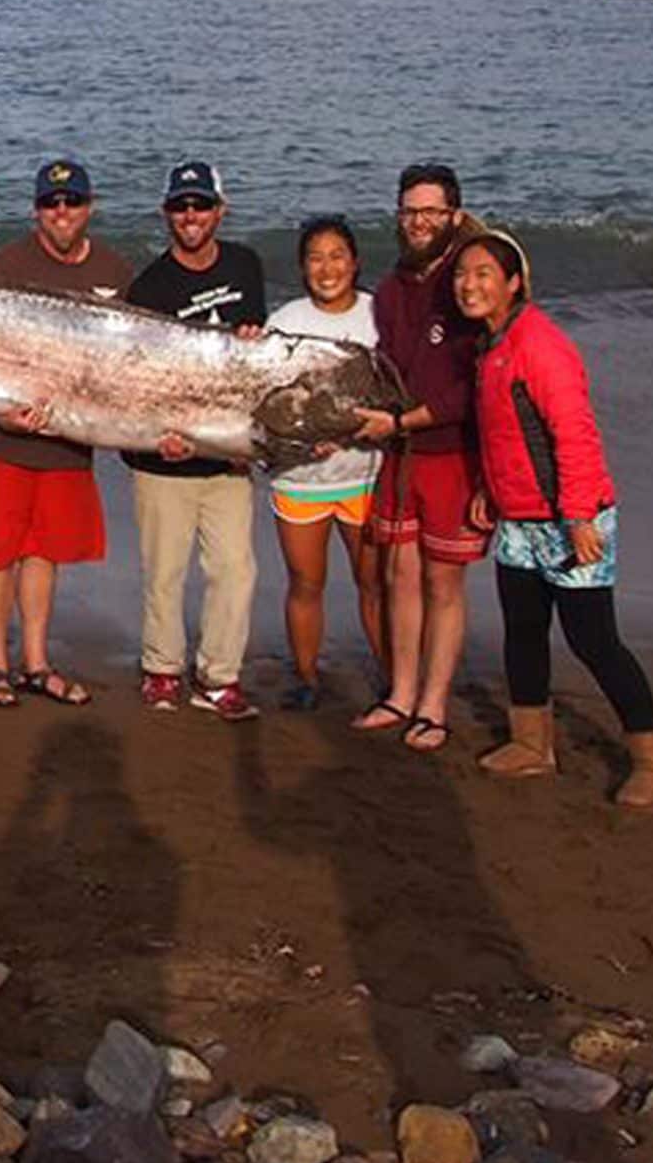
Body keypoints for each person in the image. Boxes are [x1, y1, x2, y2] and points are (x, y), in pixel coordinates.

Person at [453, 231, 653, 808]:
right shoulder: (490, 345)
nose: (468, 285)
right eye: (461, 275)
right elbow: (504, 434)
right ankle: (532, 744)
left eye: (483, 273)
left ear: (513, 282)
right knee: (523, 632)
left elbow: (574, 435)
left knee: (593, 640)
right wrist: (487, 490)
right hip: (519, 521)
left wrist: (578, 518)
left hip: (571, 518)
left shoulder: (539, 345)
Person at [0, 159, 131, 710]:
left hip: (68, 439)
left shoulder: (114, 268)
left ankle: (36, 663)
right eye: (50, 203)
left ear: (90, 206)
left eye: (72, 201)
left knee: (44, 551)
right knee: (1, 552)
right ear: (37, 209)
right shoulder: (4, 264)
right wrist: (0, 413)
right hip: (2, 439)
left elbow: (130, 361)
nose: (62, 212)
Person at [125, 161, 269, 721]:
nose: (191, 215)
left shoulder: (245, 264)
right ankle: (161, 669)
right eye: (180, 206)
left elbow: (250, 365)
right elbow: (135, 377)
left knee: (235, 571)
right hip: (164, 457)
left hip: (227, 457)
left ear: (220, 211)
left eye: (201, 205)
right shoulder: (149, 286)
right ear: (166, 214)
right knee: (164, 572)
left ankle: (219, 677)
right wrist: (157, 438)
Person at [350, 162, 486, 751]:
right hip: (400, 453)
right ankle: (400, 693)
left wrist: (403, 421)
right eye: (410, 211)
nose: (419, 222)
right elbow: (387, 373)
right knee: (397, 575)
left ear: (454, 215)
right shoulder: (390, 289)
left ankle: (434, 705)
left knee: (441, 582)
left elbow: (471, 388)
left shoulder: (468, 283)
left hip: (452, 453)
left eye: (431, 211)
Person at [262, 216, 385, 710]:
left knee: (373, 584)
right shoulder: (284, 321)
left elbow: (397, 394)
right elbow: (265, 402)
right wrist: (298, 438)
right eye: (315, 258)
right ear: (302, 267)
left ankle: (394, 678)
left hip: (366, 477)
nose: (327, 268)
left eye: (337, 256)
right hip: (301, 479)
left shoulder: (380, 316)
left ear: (355, 262)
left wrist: (353, 431)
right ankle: (308, 678)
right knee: (305, 584)